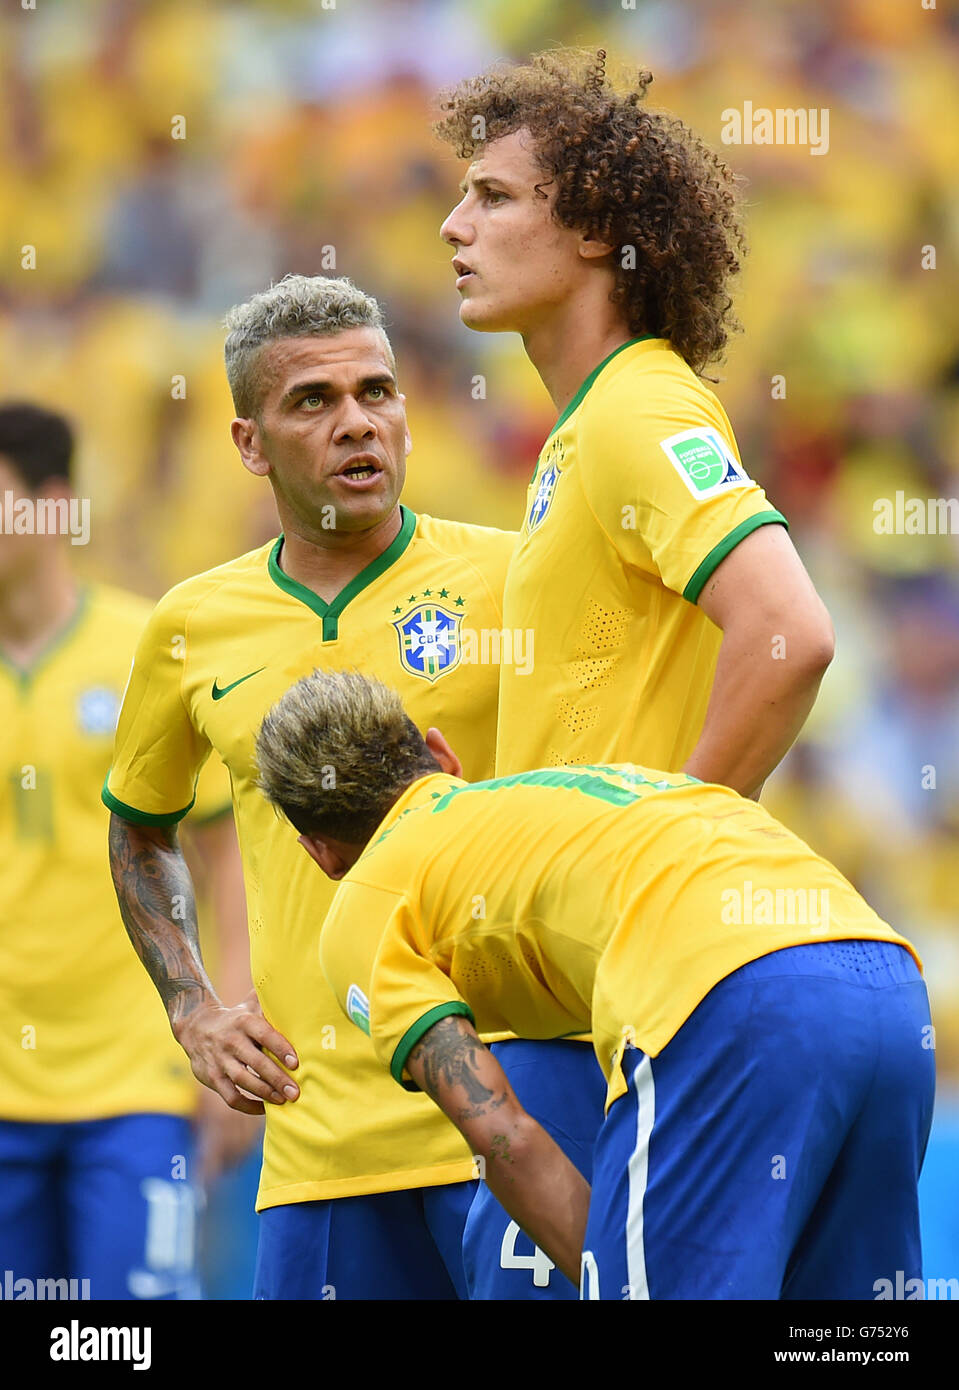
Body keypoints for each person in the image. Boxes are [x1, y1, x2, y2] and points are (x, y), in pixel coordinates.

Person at [433, 48, 836, 1296]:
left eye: (495, 197)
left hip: (631, 1006)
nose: (453, 225)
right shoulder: (581, 428)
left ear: (600, 232)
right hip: (603, 1001)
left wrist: (659, 857)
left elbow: (789, 633)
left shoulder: (634, 410)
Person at [254, 669, 935, 1301]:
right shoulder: (570, 790)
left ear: (317, 851)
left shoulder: (365, 905)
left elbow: (505, 1138)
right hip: (884, 974)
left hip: (725, 993)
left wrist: (619, 1278)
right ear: (441, 754)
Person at [103, 275, 516, 1300]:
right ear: (249, 444)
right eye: (313, 402)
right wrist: (193, 1004)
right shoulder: (193, 624)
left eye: (376, 392)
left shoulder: (514, 580)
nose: (356, 423)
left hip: (509, 1119)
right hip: (318, 1145)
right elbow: (141, 825)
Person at [0, 402, 248, 1300]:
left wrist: (229, 1030)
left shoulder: (147, 647)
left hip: (136, 1082)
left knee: (120, 1342)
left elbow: (228, 860)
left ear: (53, 505)